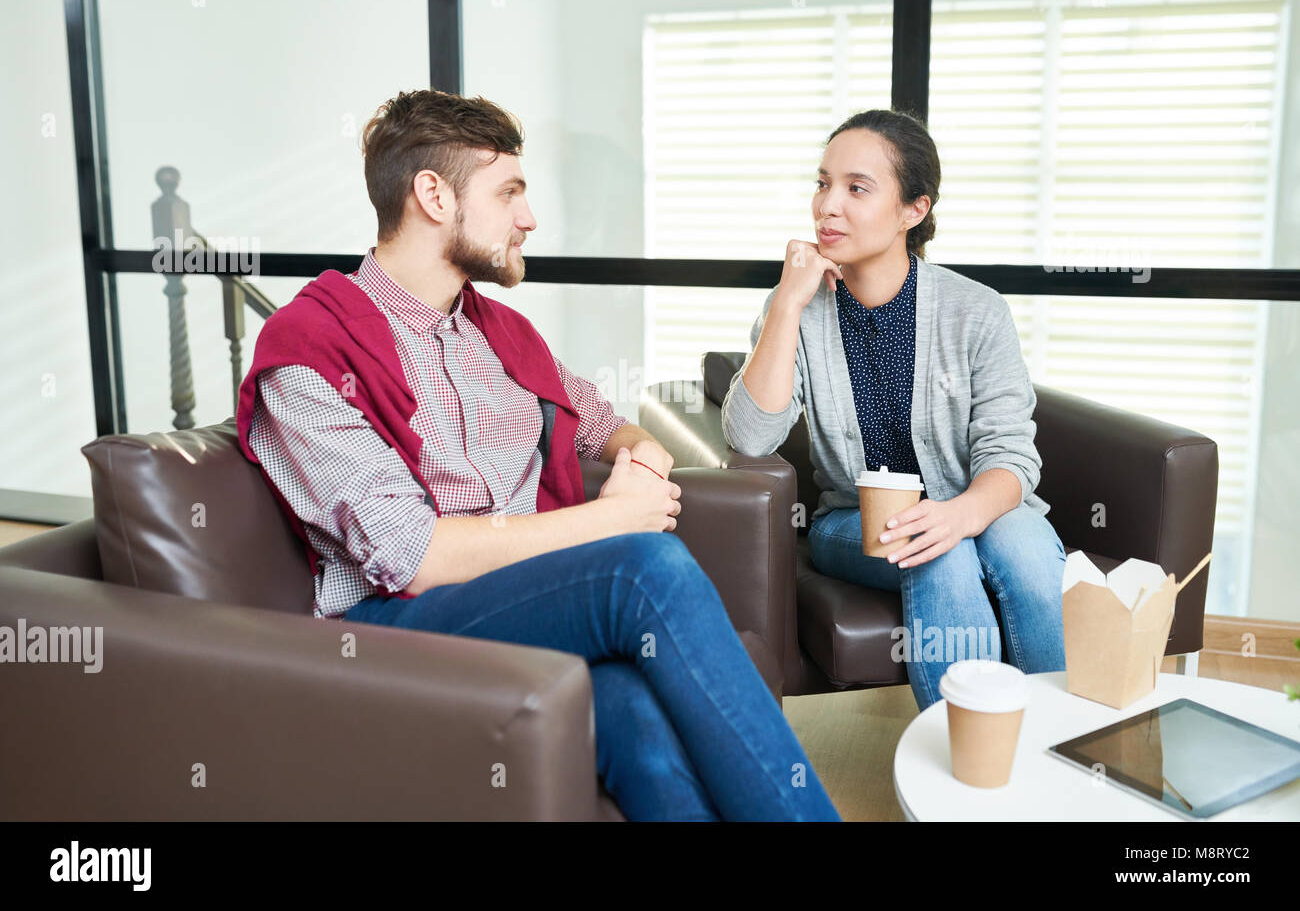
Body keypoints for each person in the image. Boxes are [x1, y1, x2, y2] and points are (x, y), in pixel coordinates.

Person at [234, 89, 839, 822]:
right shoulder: (308, 354)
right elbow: (412, 555)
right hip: (392, 629)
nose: (529, 217)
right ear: (432, 195)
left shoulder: (497, 333)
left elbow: (596, 419)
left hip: (524, 604)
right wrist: (613, 519)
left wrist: (640, 451)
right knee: (643, 568)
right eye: (510, 193)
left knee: (638, 721)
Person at [721, 109, 1066, 712]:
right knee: (939, 550)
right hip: (851, 524)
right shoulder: (799, 310)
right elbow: (750, 437)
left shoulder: (977, 312)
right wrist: (786, 303)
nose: (828, 205)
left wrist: (958, 513)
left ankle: (1064, 749)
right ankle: (970, 767)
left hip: (973, 502)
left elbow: (1010, 454)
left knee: (1029, 552)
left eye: (857, 188)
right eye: (822, 183)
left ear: (914, 209)